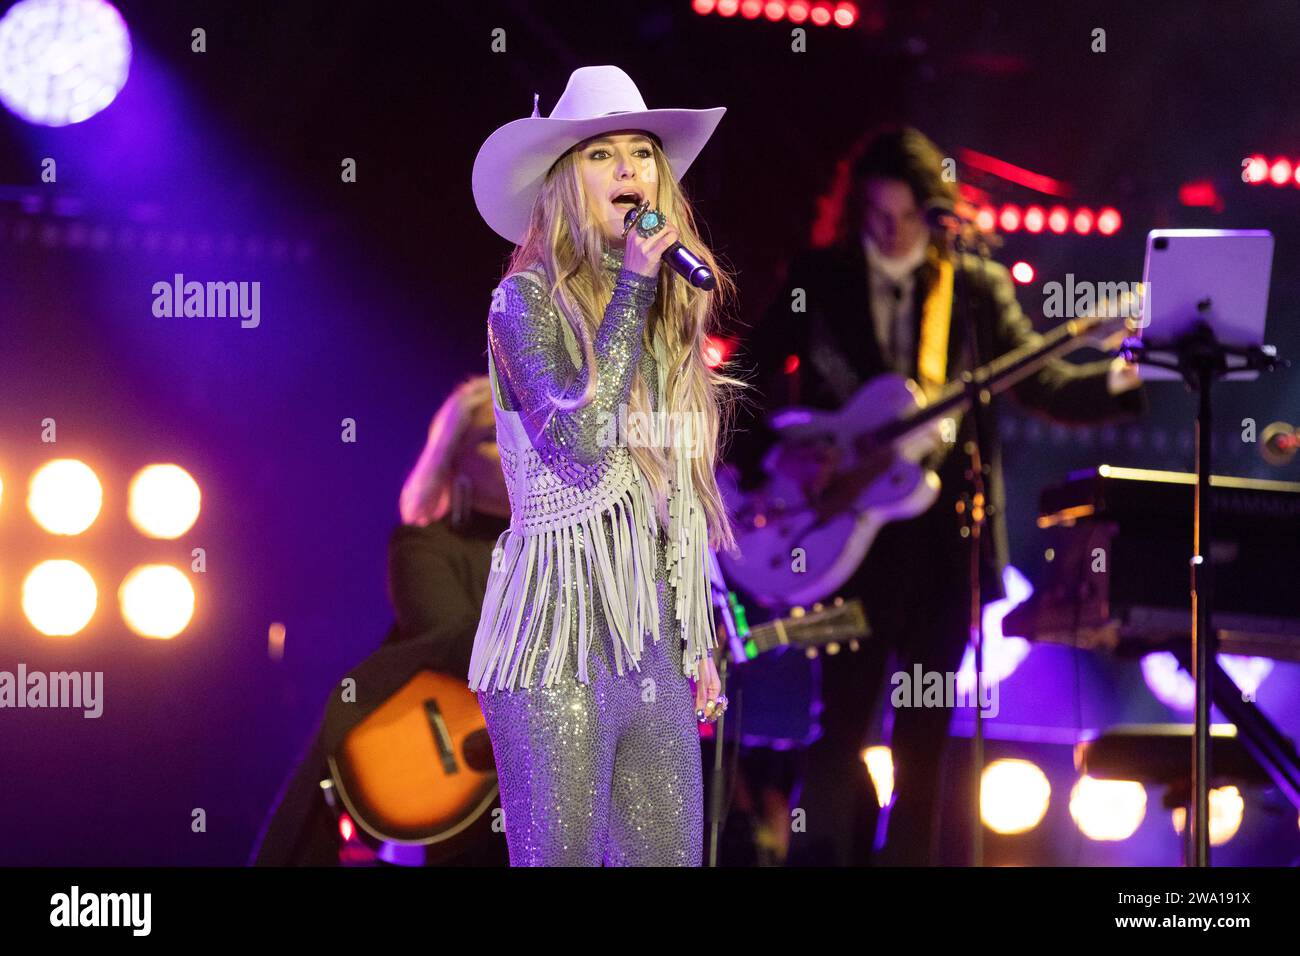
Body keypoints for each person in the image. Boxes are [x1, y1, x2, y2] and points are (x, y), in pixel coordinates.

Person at [739, 126, 1145, 866]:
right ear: (856, 210)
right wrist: (783, 454)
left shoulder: (975, 289)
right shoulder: (819, 276)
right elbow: (746, 384)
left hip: (942, 548)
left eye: (904, 218)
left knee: (926, 734)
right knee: (841, 725)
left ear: (934, 213)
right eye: (876, 218)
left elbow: (1044, 385)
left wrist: (1126, 380)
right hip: (843, 544)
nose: (890, 234)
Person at [466, 64, 737, 866]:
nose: (628, 169)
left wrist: (700, 636)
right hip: (557, 645)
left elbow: (675, 502)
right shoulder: (524, 302)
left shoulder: (661, 322)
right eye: (601, 155)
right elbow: (580, 446)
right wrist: (632, 287)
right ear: (563, 184)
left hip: (650, 649)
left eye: (641, 153)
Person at [251, 376, 512, 866]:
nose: (512, 448)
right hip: (423, 752)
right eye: (491, 437)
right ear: (455, 457)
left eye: (522, 432)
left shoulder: (554, 556)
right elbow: (451, 641)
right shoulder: (425, 545)